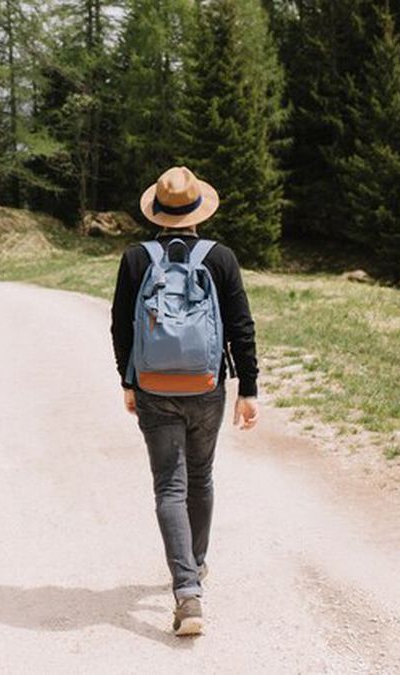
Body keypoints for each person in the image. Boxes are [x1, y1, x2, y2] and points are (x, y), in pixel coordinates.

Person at [110, 166, 260, 636]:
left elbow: (121, 327)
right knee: (201, 476)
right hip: (206, 386)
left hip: (155, 386)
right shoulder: (221, 258)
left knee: (169, 487)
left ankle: (187, 594)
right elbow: (241, 327)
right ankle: (194, 565)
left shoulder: (136, 258)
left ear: (157, 211)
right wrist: (248, 389)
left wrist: (128, 382)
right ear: (198, 211)